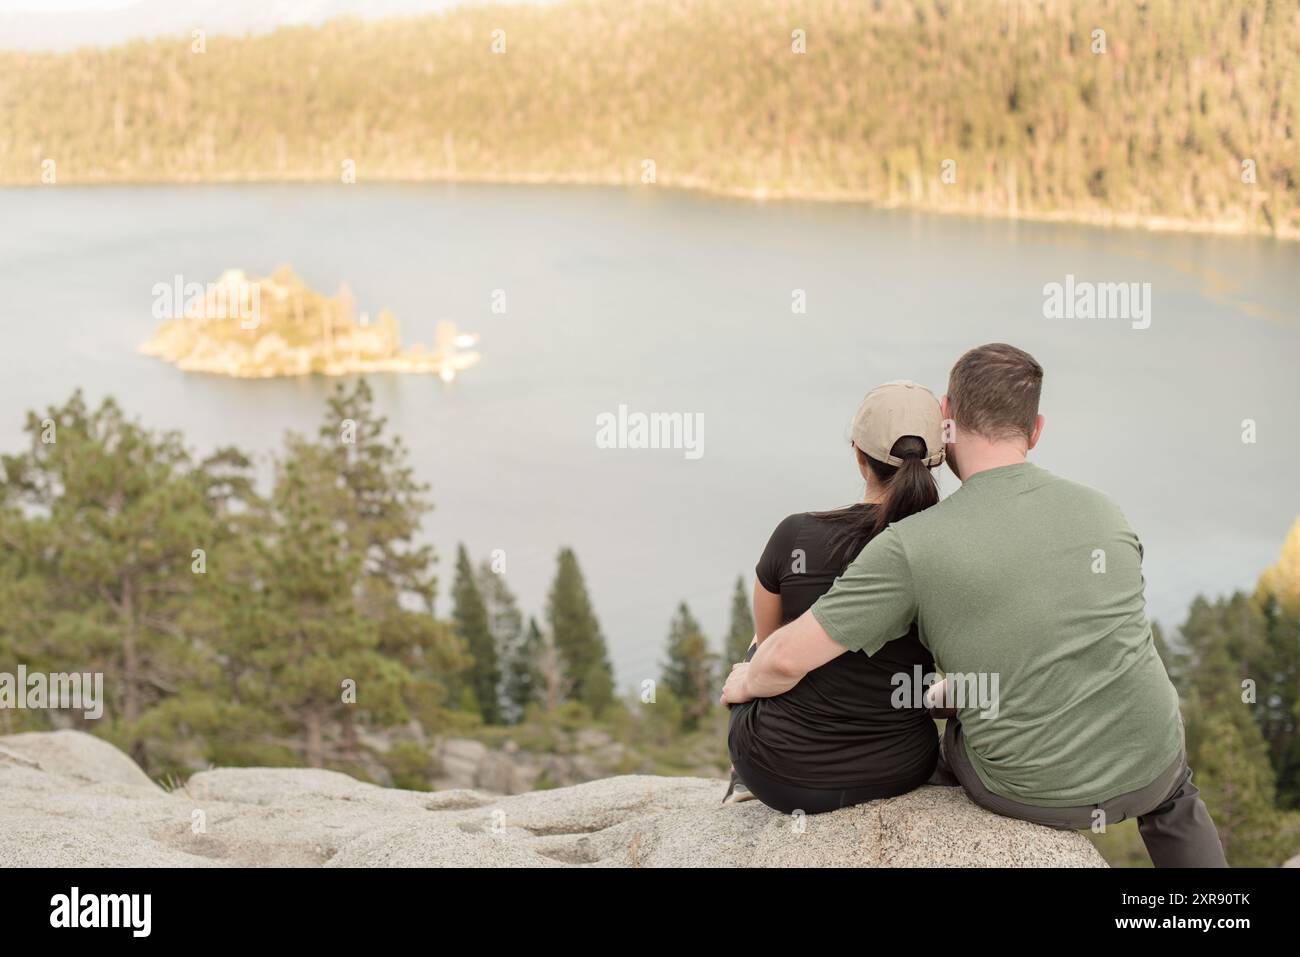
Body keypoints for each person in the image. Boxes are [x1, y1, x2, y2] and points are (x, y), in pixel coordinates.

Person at [722, 343, 1226, 867]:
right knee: (1177, 798)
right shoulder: (1104, 511)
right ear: (1035, 430)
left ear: (948, 420)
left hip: (1026, 790)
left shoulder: (913, 544)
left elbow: (783, 660)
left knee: (955, 736)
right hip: (1153, 763)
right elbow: (1065, 635)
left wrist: (745, 680)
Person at [725, 380, 945, 814]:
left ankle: (737, 783)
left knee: (762, 640)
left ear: (859, 456)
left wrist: (746, 679)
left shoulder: (795, 535)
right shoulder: (948, 549)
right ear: (936, 461)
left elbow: (770, 649)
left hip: (777, 773)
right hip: (900, 767)